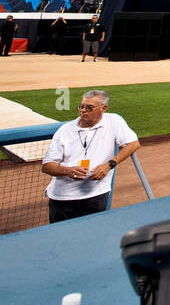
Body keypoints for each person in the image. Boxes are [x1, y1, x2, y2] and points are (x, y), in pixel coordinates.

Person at [42, 90, 140, 222]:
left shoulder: (114, 121)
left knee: (93, 235)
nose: (83, 111)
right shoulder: (65, 130)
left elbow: (133, 144)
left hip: (97, 194)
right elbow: (47, 166)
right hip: (64, 197)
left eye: (89, 107)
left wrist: (109, 164)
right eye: (81, 106)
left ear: (103, 109)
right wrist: (67, 171)